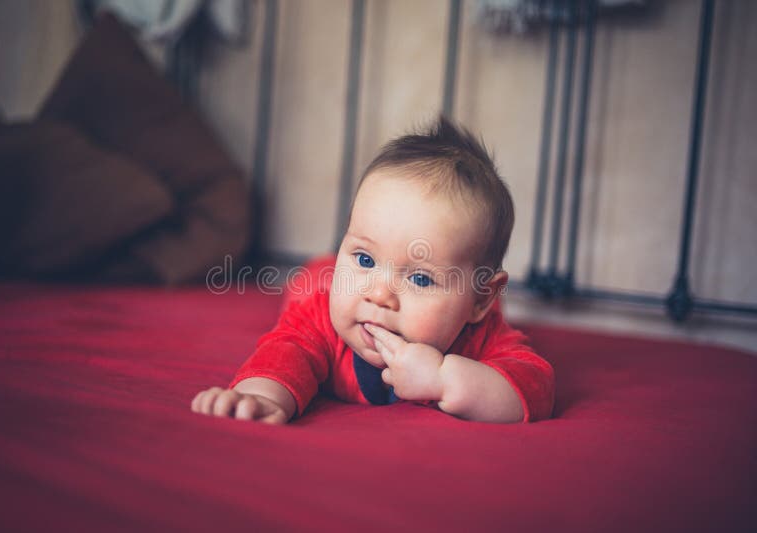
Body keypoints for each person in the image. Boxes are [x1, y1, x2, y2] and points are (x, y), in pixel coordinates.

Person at [191, 116, 555, 424]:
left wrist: (444, 379)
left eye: (420, 278)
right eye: (365, 259)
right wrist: (261, 399)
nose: (379, 295)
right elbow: (284, 353)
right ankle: (331, 265)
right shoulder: (323, 320)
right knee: (312, 284)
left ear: (480, 299)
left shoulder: (480, 339)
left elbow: (535, 388)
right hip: (320, 284)